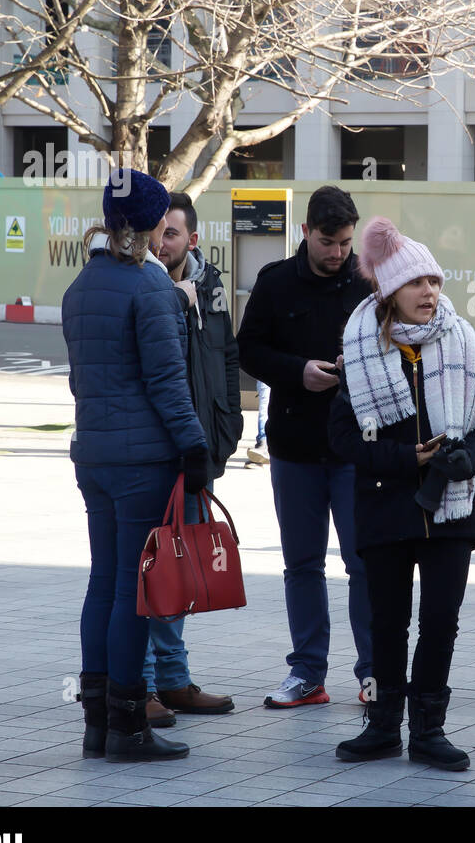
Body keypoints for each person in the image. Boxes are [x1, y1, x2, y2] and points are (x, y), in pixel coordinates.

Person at [328, 217, 475, 770]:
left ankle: (430, 730)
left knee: (441, 621)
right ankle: (381, 726)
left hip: (452, 509)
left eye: (434, 282)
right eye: (415, 283)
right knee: (386, 622)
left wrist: (463, 458)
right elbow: (344, 437)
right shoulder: (361, 349)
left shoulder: (463, 344)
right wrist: (406, 458)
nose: (429, 293)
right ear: (389, 293)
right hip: (385, 505)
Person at [63, 168, 207, 763]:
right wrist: (194, 446)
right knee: (131, 589)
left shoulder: (80, 287)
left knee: (102, 580)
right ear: (151, 224)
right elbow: (168, 382)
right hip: (142, 459)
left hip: (92, 454)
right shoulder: (149, 287)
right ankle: (129, 726)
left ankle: (98, 723)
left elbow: (81, 380)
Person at [237, 186, 373, 708]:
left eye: (344, 243)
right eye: (327, 242)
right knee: (302, 564)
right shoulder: (275, 284)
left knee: (363, 563)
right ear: (304, 233)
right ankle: (308, 674)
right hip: (294, 446)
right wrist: (298, 372)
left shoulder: (369, 282)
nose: (337, 253)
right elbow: (248, 350)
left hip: (356, 447)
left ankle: (373, 673)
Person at [141, 191, 240, 727]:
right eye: (158, 234)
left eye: (172, 235)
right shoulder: (148, 289)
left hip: (199, 453)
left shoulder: (211, 286)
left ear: (192, 240)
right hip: (156, 456)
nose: (162, 244)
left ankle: (174, 680)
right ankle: (148, 685)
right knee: (151, 572)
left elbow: (226, 356)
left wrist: (226, 431)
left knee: (179, 570)